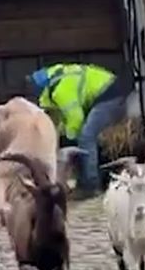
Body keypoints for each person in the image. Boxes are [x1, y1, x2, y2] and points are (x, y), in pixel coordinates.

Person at [29, 63, 132, 197]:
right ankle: (88, 177)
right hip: (108, 92)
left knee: (86, 137)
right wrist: (60, 134)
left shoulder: (61, 91)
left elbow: (76, 119)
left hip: (109, 97)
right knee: (86, 137)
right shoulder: (58, 78)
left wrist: (69, 138)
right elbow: (63, 118)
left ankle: (90, 186)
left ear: (42, 91)